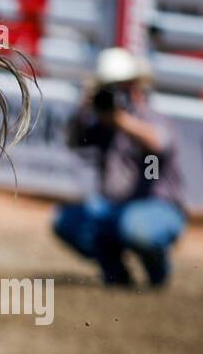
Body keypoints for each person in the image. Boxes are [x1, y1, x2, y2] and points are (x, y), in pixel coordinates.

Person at [52, 47, 187, 287]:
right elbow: (73, 142)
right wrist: (84, 108)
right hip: (114, 207)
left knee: (134, 227)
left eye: (119, 85)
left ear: (134, 85)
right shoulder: (101, 123)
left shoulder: (150, 117)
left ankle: (158, 270)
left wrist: (120, 120)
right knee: (67, 221)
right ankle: (115, 273)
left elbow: (158, 142)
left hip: (157, 207)